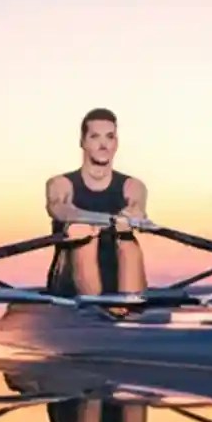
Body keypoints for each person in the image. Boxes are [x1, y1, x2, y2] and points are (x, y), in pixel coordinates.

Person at [44, 108, 149, 297]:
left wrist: (134, 217)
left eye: (110, 137)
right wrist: (104, 221)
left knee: (128, 245)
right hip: (70, 279)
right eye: (95, 137)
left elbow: (137, 211)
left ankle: (126, 307)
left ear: (116, 143)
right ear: (82, 142)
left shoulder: (133, 186)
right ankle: (97, 304)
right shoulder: (60, 184)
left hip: (118, 276)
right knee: (84, 240)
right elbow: (61, 210)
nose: (104, 145)